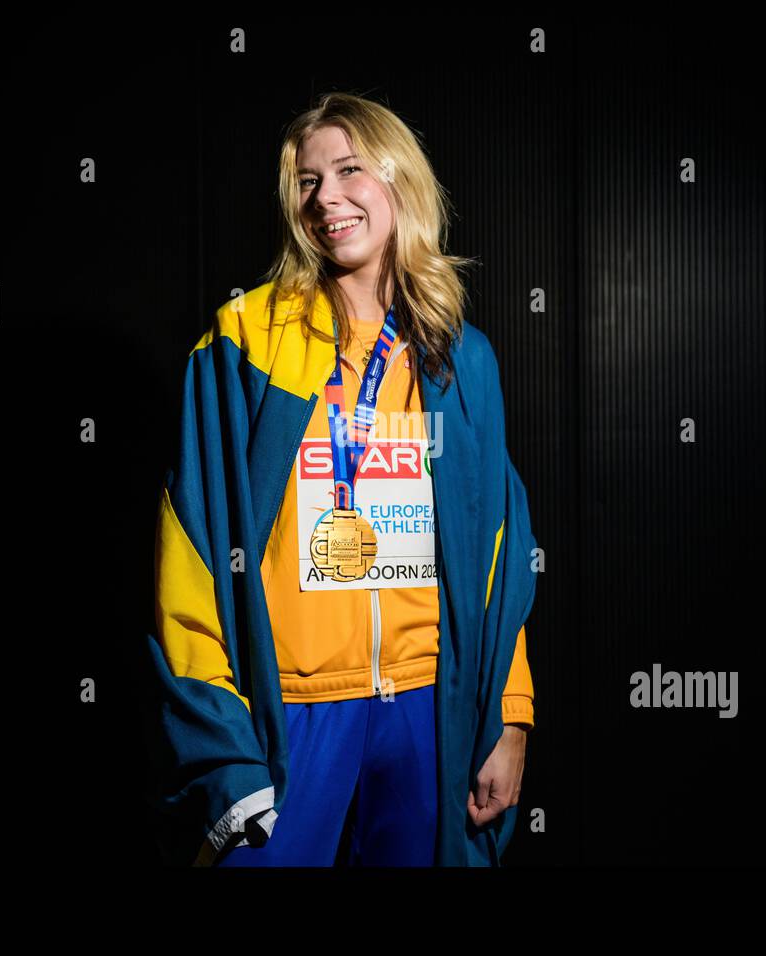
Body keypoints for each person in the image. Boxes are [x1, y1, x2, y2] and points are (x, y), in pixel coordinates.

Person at [145, 92, 539, 866]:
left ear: (401, 181)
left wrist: (510, 716)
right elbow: (188, 555)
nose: (326, 196)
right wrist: (223, 754)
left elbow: (501, 556)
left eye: (349, 169)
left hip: (432, 707)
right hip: (293, 714)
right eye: (305, 181)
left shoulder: (463, 359)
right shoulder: (244, 342)